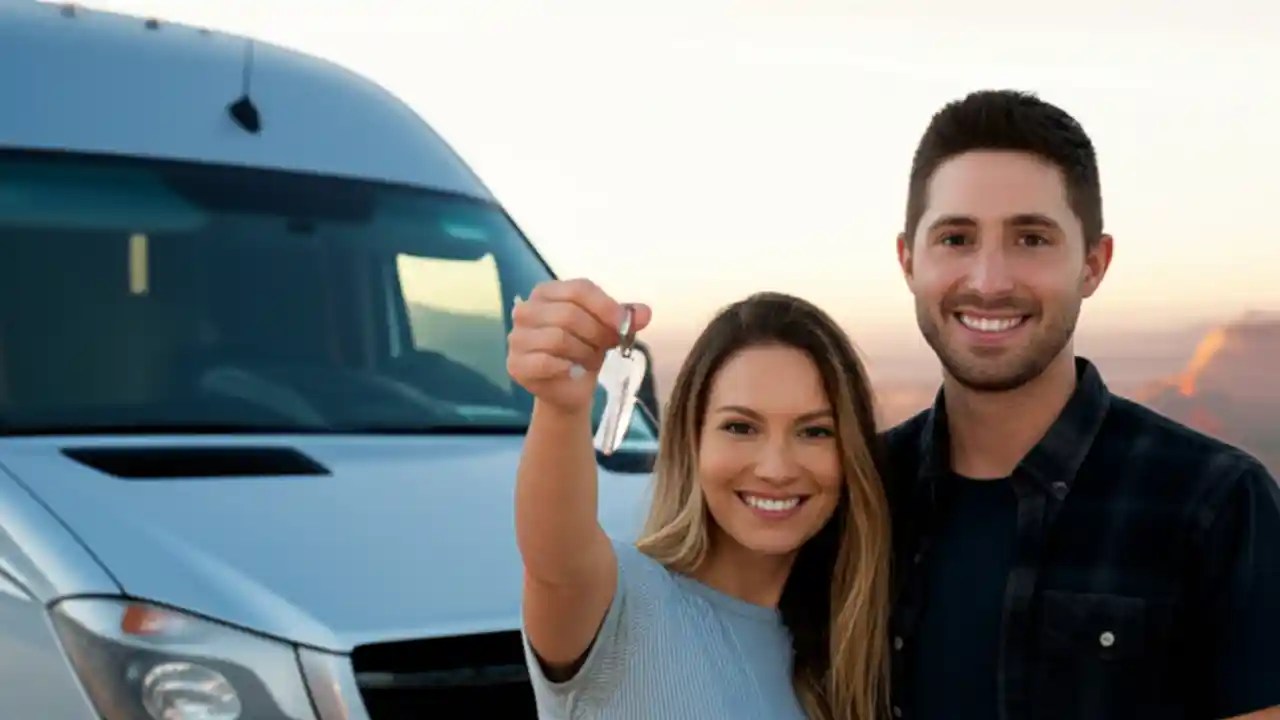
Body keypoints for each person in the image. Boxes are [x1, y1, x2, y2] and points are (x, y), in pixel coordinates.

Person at [882, 88, 1280, 720]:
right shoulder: (861, 492)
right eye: (956, 238)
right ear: (909, 260)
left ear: (1093, 264)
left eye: (1031, 239)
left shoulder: (1219, 504)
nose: (988, 281)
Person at [508, 281, 892, 720]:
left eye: (815, 432)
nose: (776, 468)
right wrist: (561, 406)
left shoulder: (834, 663)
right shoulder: (622, 605)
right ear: (692, 440)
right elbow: (555, 560)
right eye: (741, 427)